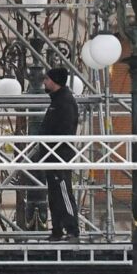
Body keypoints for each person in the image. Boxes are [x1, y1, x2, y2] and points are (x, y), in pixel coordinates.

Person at [37, 65, 82, 241]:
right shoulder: (57, 101)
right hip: (52, 154)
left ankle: (72, 229)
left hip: (59, 155)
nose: (44, 82)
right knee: (55, 193)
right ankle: (57, 229)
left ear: (55, 82)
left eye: (47, 79)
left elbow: (64, 130)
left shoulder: (64, 102)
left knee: (63, 191)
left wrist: (51, 146)